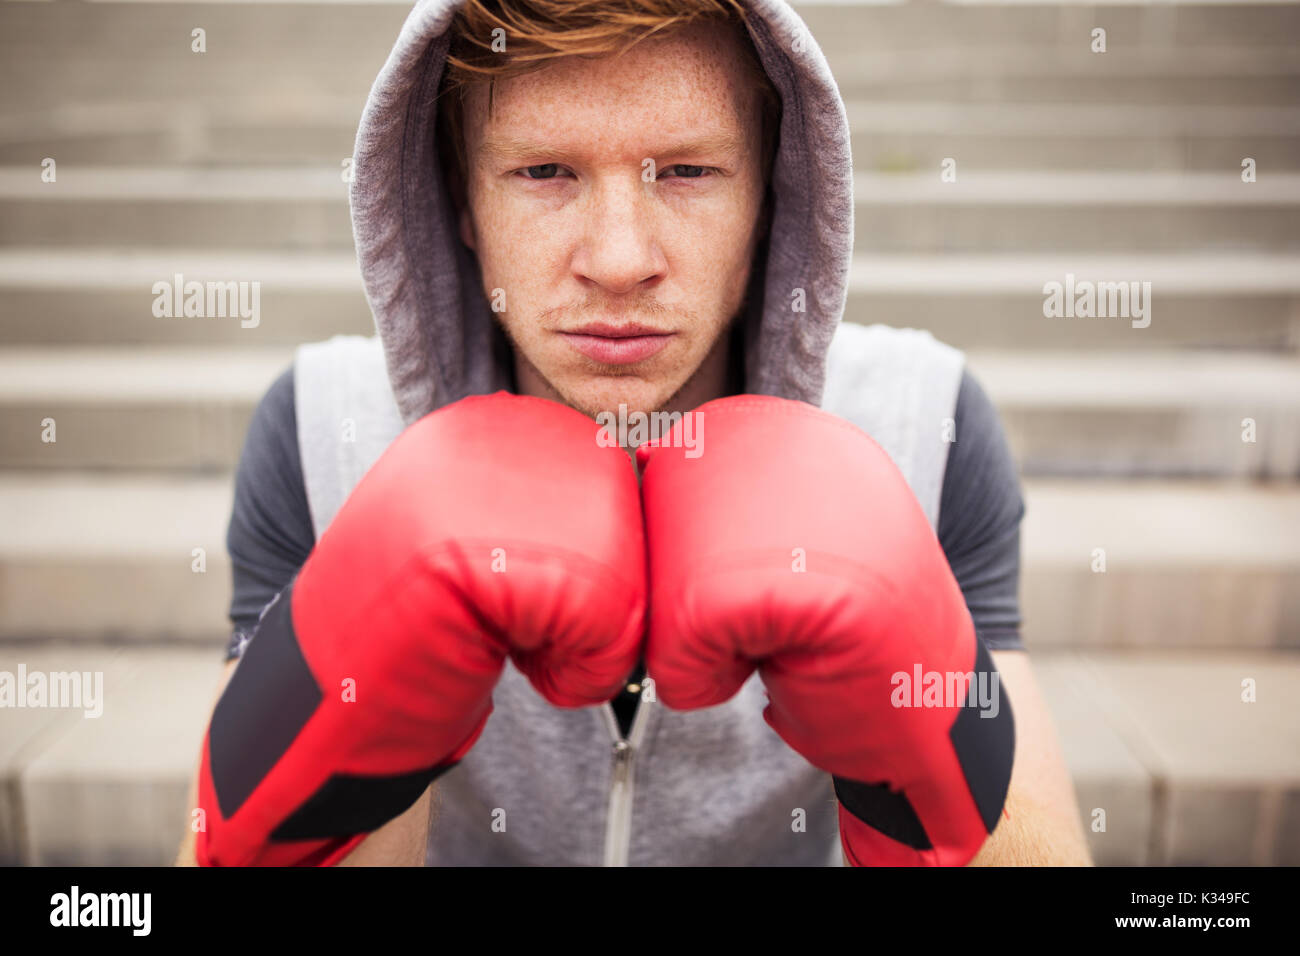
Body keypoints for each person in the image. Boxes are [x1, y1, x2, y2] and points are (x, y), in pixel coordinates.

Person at [177, 0, 1091, 866]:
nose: (619, 261)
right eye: (544, 172)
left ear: (770, 195)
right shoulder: (321, 429)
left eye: (687, 171)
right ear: (459, 200)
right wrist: (370, 716)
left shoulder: (924, 427)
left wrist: (922, 747)